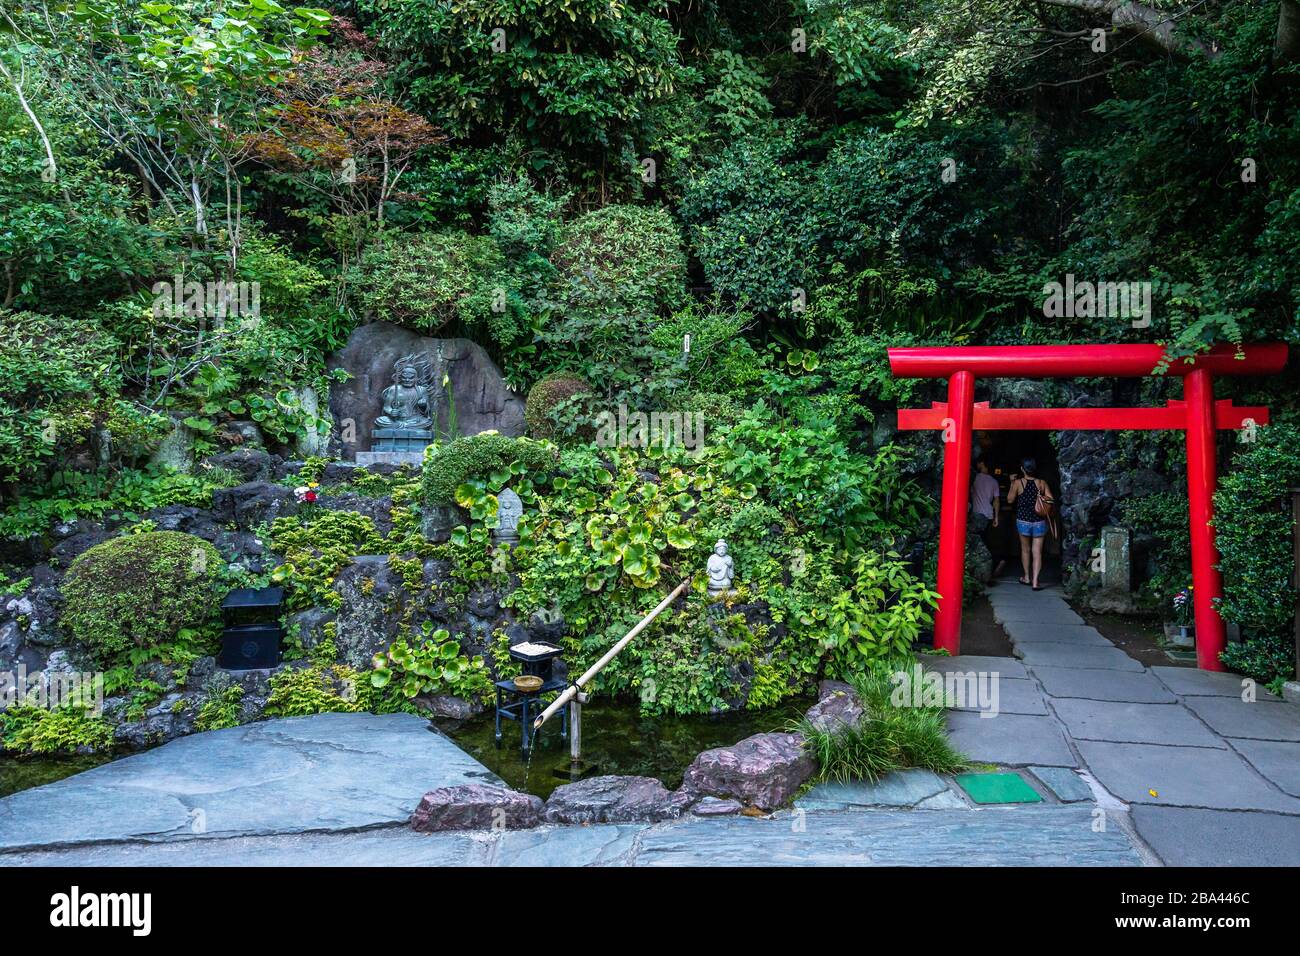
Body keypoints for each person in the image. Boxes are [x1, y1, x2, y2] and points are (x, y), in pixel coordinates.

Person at [1007, 457, 1054, 590]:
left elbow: (1010, 500)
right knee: (1037, 552)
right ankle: (1035, 581)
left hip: (1023, 521)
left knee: (1025, 550)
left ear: (1022, 469)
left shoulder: (1018, 483)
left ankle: (1027, 577)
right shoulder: (1041, 483)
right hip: (1039, 521)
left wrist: (1011, 483)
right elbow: (1051, 500)